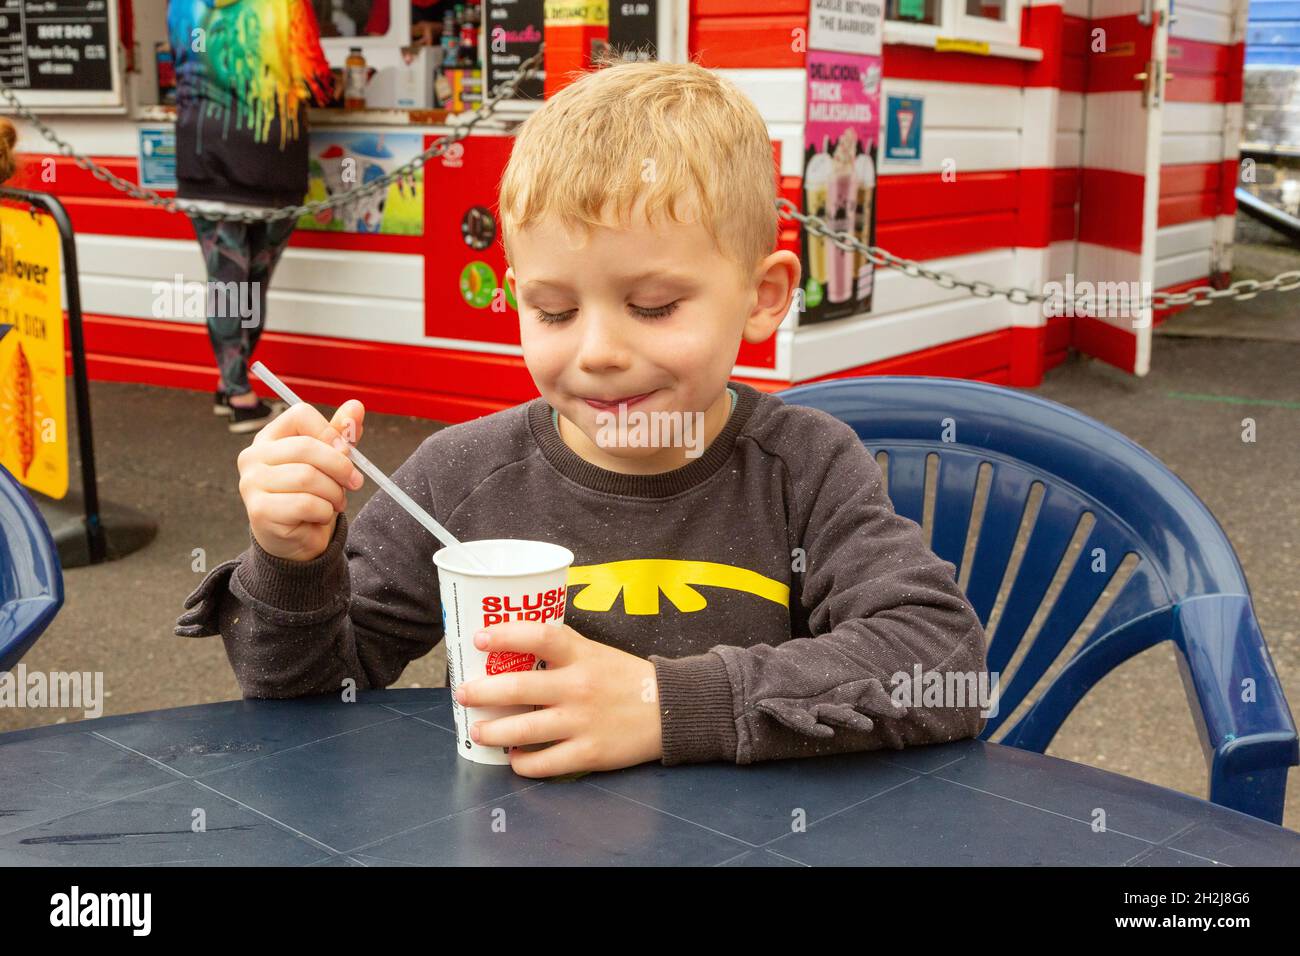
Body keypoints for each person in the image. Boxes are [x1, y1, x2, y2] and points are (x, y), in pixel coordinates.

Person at [176, 59, 989, 777]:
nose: (598, 351)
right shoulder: (460, 476)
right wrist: (290, 560)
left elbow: (940, 660)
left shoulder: (805, 469)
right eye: (556, 311)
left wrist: (666, 704)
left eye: (654, 305)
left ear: (763, 297)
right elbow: (302, 699)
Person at [168, 0, 335, 433]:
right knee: (250, 283)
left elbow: (180, 64)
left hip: (203, 158)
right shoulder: (286, 6)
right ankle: (239, 395)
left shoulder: (182, 5)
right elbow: (317, 82)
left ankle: (232, 385)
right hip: (269, 162)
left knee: (227, 281)